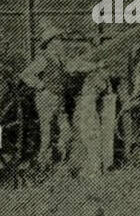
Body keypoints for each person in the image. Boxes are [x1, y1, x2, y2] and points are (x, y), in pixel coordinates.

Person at [20, 22, 102, 169]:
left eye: (61, 40)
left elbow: (76, 67)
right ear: (51, 43)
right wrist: (40, 85)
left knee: (67, 132)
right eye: (58, 40)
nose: (61, 43)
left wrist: (96, 66)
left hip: (58, 100)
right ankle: (42, 165)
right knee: (47, 135)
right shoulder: (43, 59)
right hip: (46, 99)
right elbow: (26, 74)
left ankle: (57, 161)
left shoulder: (60, 60)